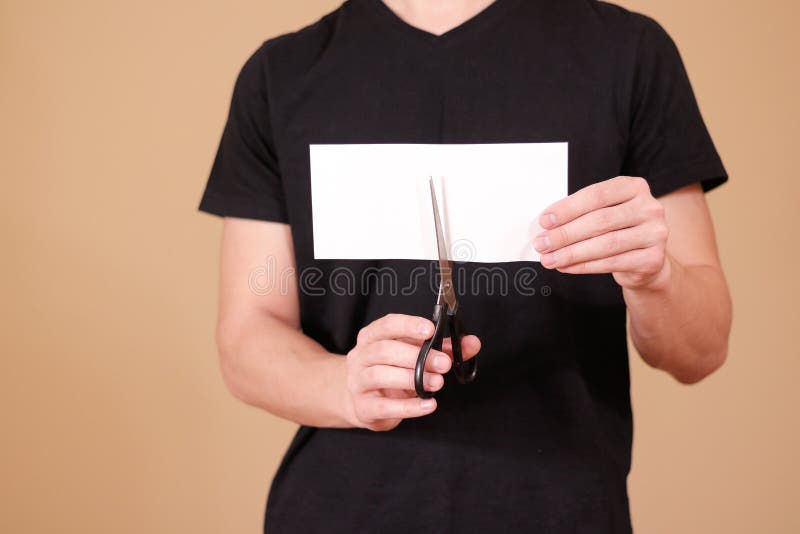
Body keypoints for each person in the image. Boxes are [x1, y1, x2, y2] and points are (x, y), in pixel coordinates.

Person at [198, 0, 732, 531]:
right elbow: (247, 334)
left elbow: (701, 350)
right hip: (338, 510)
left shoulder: (630, 53)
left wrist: (654, 277)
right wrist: (343, 386)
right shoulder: (280, 73)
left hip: (563, 510)